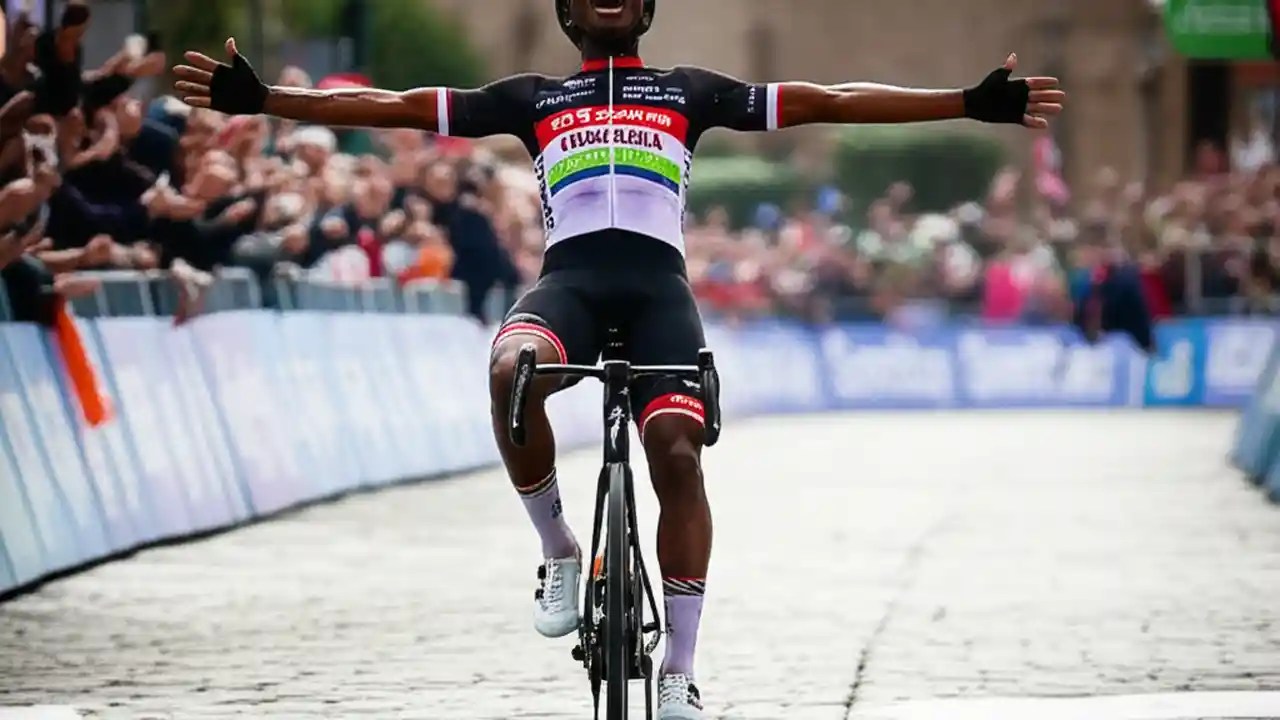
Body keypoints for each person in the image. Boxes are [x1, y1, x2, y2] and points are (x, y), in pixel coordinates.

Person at [172, 1, 1064, 715]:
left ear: (644, 8)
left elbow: (828, 97)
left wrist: (964, 103)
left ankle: (678, 667)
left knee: (676, 455)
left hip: (658, 299)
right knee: (506, 370)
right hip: (569, 287)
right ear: (567, 12)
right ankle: (561, 548)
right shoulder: (530, 98)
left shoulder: (691, 90)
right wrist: (268, 103)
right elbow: (395, 107)